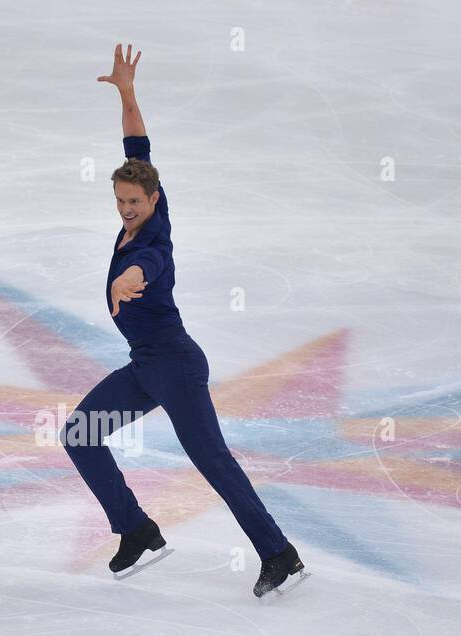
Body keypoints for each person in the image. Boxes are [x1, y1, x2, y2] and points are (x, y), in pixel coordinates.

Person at [60, 45, 308, 599]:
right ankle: (137, 530)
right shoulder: (150, 199)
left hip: (175, 365)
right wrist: (126, 92)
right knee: (80, 433)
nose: (126, 208)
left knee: (212, 461)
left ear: (153, 199)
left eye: (134, 201)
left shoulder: (152, 244)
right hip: (146, 366)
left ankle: (280, 555)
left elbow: (150, 267)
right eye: (119, 199)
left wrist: (127, 281)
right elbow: (137, 145)